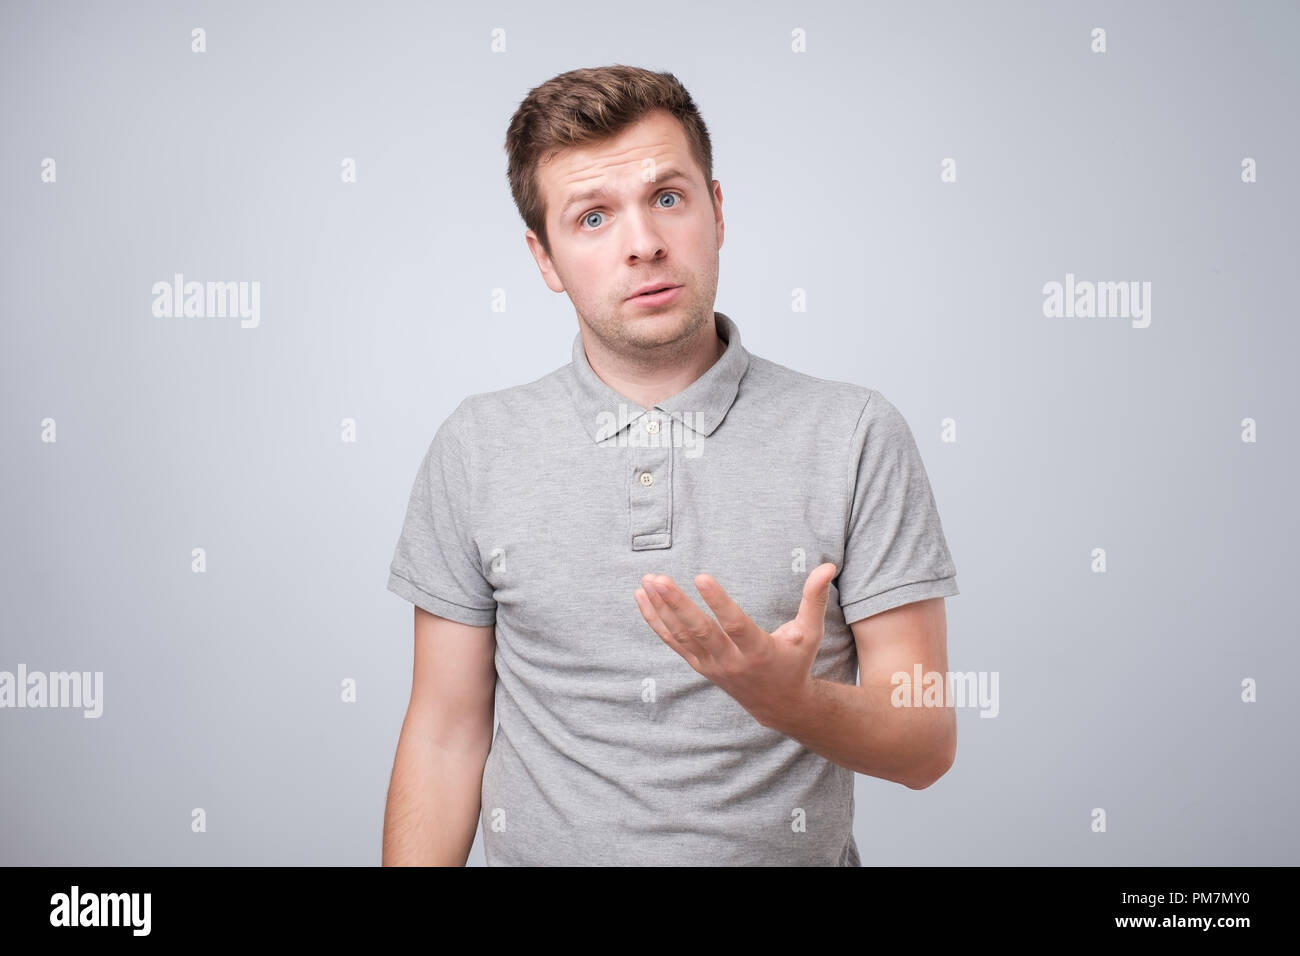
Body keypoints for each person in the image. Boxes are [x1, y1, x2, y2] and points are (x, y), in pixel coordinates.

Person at [382, 64, 959, 866]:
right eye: (592, 218)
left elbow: (925, 742)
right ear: (544, 259)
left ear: (716, 212)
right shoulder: (476, 446)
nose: (643, 243)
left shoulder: (855, 433)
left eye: (667, 198)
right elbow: (444, 738)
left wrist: (791, 702)